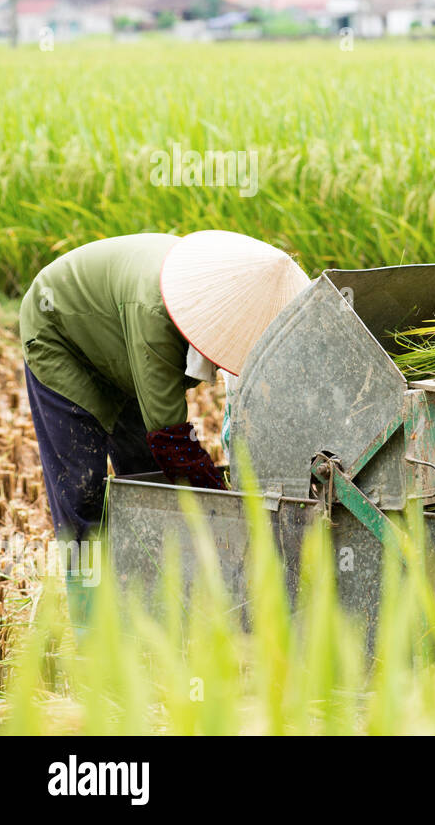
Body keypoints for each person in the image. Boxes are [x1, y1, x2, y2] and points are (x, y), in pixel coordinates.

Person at [19, 230, 309, 622]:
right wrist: (223, 503)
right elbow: (171, 439)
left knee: (145, 479)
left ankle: (149, 610)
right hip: (61, 333)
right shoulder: (159, 314)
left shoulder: (231, 303)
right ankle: (91, 626)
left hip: (118, 337)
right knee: (81, 492)